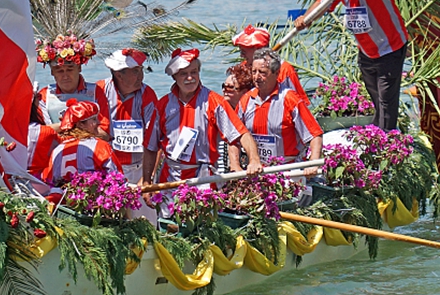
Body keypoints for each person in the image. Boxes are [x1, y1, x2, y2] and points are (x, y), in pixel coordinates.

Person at [295, 0, 408, 131]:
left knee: (386, 100)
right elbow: (324, 3)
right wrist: (306, 19)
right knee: (376, 100)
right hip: (366, 50)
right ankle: (379, 133)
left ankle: (386, 140)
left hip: (390, 47)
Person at [141, 49, 263, 205]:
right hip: (170, 179)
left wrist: (254, 160)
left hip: (204, 179)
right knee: (168, 226)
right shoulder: (163, 105)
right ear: (174, 76)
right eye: (184, 74)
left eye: (194, 72)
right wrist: (146, 182)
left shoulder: (214, 102)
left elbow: (241, 134)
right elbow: (151, 147)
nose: (190, 78)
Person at [232, 47, 323, 170]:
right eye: (254, 72)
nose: (257, 77)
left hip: (288, 170)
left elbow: (314, 135)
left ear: (276, 74)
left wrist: (314, 163)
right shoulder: (246, 100)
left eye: (262, 72)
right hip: (256, 170)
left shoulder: (290, 99)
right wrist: (235, 165)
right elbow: (233, 137)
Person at [95, 48, 158, 184]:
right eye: (135, 71)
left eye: (141, 70)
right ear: (118, 75)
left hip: (139, 167)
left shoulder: (147, 94)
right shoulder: (99, 90)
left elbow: (155, 137)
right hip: (107, 164)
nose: (141, 76)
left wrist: (148, 177)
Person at [34, 100, 118, 189]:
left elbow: (48, 181)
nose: (98, 122)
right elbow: (116, 178)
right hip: (94, 201)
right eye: (94, 119)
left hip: (62, 201)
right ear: (80, 124)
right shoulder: (100, 146)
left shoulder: (57, 150)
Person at [232, 24, 309, 101]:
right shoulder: (243, 67)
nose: (241, 55)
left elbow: (299, 102)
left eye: (243, 52)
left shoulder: (285, 70)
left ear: (257, 49)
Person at [35, 36, 100, 125]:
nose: (65, 76)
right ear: (52, 72)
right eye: (59, 71)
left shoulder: (97, 92)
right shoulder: (44, 96)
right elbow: (40, 131)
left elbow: (105, 131)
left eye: (70, 69)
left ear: (79, 68)